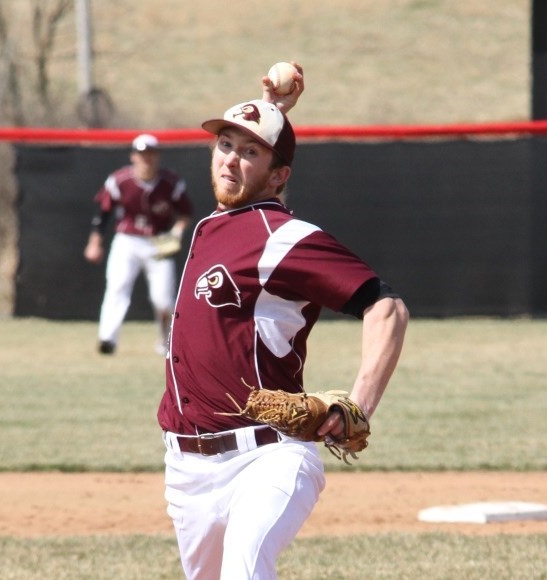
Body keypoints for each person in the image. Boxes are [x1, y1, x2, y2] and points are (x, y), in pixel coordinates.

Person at [157, 64, 409, 579]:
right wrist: (268, 112)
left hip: (268, 456)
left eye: (250, 153)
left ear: (279, 177)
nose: (230, 160)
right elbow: (247, 159)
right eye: (225, 144)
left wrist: (359, 404)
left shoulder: (286, 237)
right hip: (186, 468)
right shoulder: (211, 227)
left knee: (245, 573)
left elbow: (387, 309)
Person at [84, 133, 193, 356]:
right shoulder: (119, 180)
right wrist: (95, 242)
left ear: (157, 156)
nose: (146, 158)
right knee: (117, 287)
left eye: (150, 153)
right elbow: (103, 212)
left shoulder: (170, 183)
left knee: (163, 299)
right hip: (128, 240)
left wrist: (176, 233)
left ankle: (166, 342)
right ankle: (107, 339)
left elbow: (185, 213)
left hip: (158, 241)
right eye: (142, 154)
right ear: (133, 156)